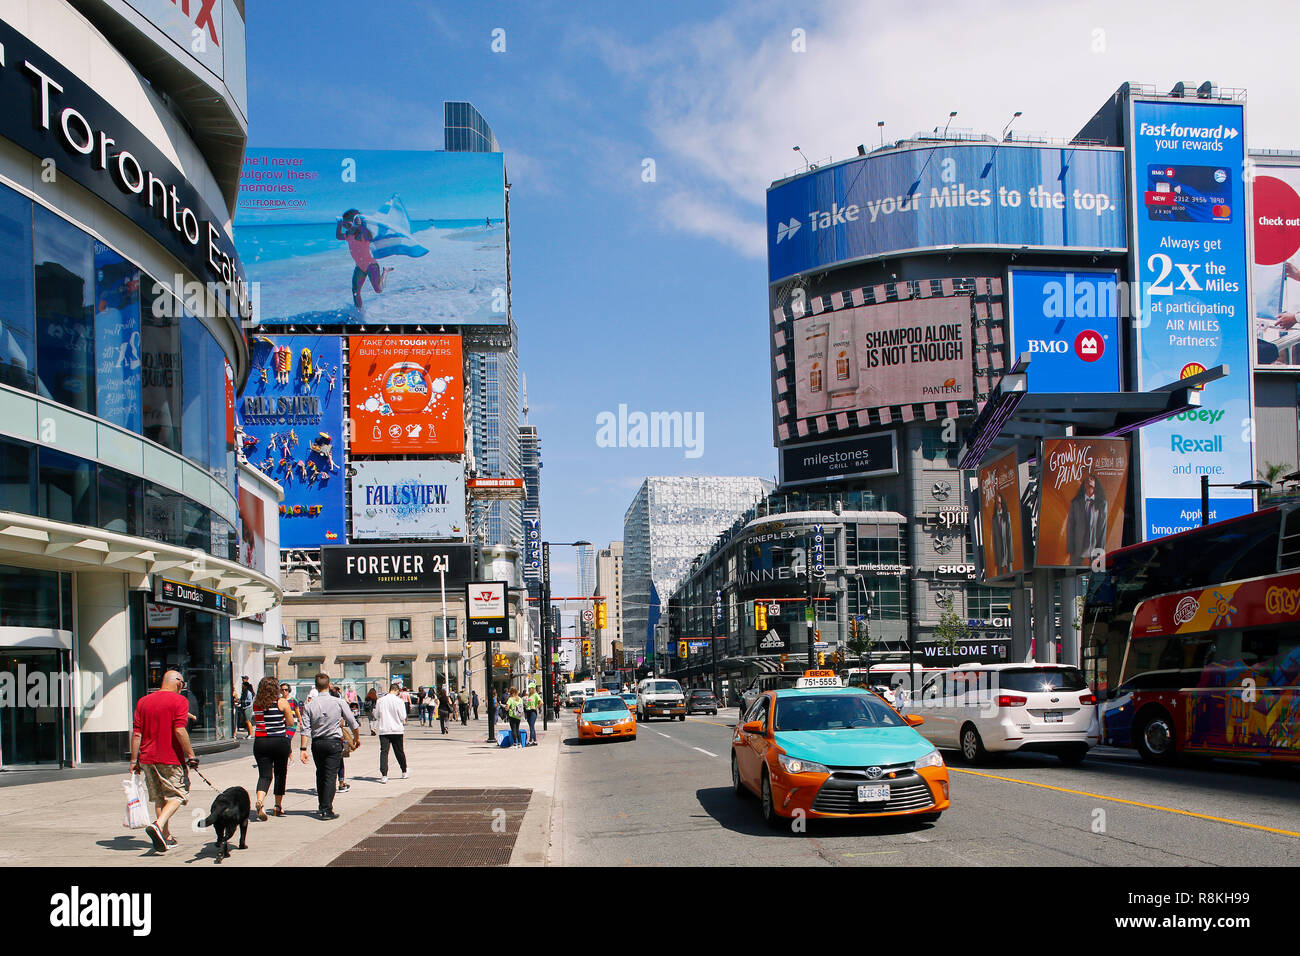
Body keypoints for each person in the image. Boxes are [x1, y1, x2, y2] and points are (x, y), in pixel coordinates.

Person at [129, 670, 197, 852]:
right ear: (177, 683)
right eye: (182, 684)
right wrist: (191, 755)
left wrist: (133, 761)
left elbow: (137, 733)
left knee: (159, 797)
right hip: (170, 758)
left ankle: (165, 836)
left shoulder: (143, 701)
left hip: (147, 758)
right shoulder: (180, 701)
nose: (182, 687)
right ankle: (158, 826)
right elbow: (179, 730)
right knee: (178, 795)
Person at [299, 673, 360, 820]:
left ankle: (322, 804)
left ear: (316, 685)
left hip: (317, 742)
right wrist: (356, 739)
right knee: (331, 775)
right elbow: (352, 722)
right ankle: (327, 809)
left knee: (321, 773)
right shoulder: (338, 702)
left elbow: (305, 729)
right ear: (329, 685)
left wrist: (303, 749)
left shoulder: (309, 705)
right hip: (333, 742)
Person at [252, 676, 296, 820]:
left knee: (264, 775)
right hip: (279, 741)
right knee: (280, 773)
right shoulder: (281, 702)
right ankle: (277, 806)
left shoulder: (256, 703)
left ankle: (260, 801)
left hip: (261, 742)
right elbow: (290, 723)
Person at [336, 209, 392, 310]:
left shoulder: (361, 233)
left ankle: (386, 271)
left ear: (355, 222)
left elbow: (369, 236)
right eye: (344, 224)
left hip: (371, 265)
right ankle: (359, 313)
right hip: (359, 267)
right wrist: (339, 224)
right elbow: (339, 236)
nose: (346, 226)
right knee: (355, 291)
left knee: (378, 290)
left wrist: (361, 226)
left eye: (348, 223)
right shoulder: (348, 235)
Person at [1066, 471, 1108, 566]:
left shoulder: (1102, 503)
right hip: (1078, 546)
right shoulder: (1075, 503)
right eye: (1086, 480)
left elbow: (1102, 528)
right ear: (1084, 485)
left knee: (1098, 573)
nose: (1089, 481)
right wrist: (1070, 547)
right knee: (1073, 570)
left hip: (1095, 545)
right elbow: (1070, 526)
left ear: (1096, 484)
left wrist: (1101, 549)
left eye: (1092, 479)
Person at [374, 683, 410, 783]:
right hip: (397, 730)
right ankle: (404, 771)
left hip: (384, 730)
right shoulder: (399, 701)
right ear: (397, 691)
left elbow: (376, 715)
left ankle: (384, 775)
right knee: (399, 751)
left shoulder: (380, 701)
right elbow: (403, 716)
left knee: (384, 752)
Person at [329, 686, 353, 793]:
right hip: (338, 737)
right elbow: (347, 722)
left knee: (326, 764)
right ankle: (341, 783)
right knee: (340, 761)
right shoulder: (339, 707)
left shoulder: (324, 707)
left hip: (323, 739)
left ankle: (329, 785)